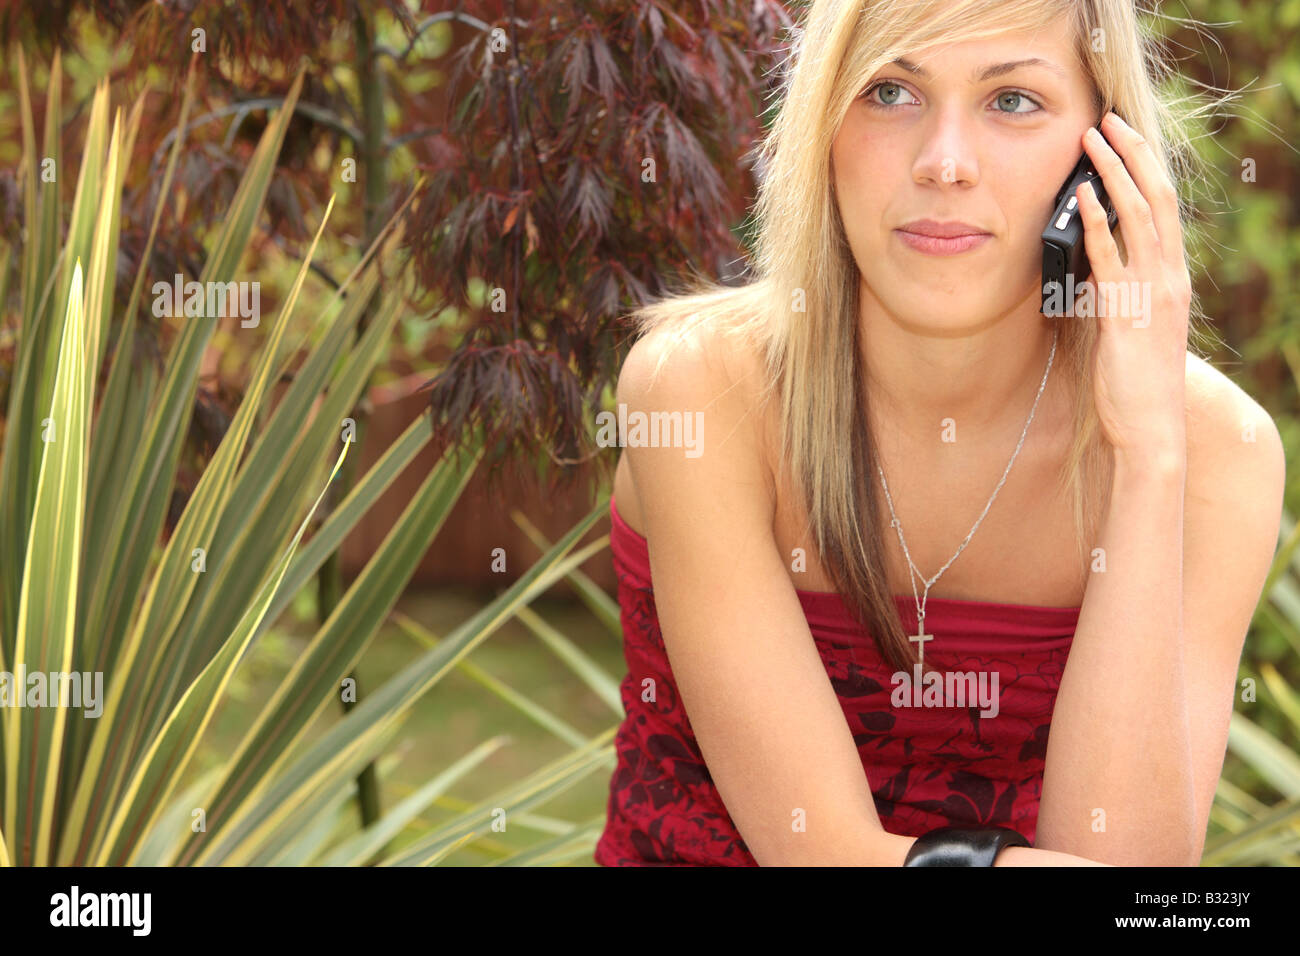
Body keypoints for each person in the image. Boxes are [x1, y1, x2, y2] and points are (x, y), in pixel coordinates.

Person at [593, 0, 1286, 866]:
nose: (944, 163)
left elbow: (1137, 872)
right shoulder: (700, 392)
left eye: (1012, 102)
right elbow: (821, 854)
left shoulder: (1217, 453)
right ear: (822, 129)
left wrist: (1145, 456)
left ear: (1103, 163)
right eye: (890, 92)